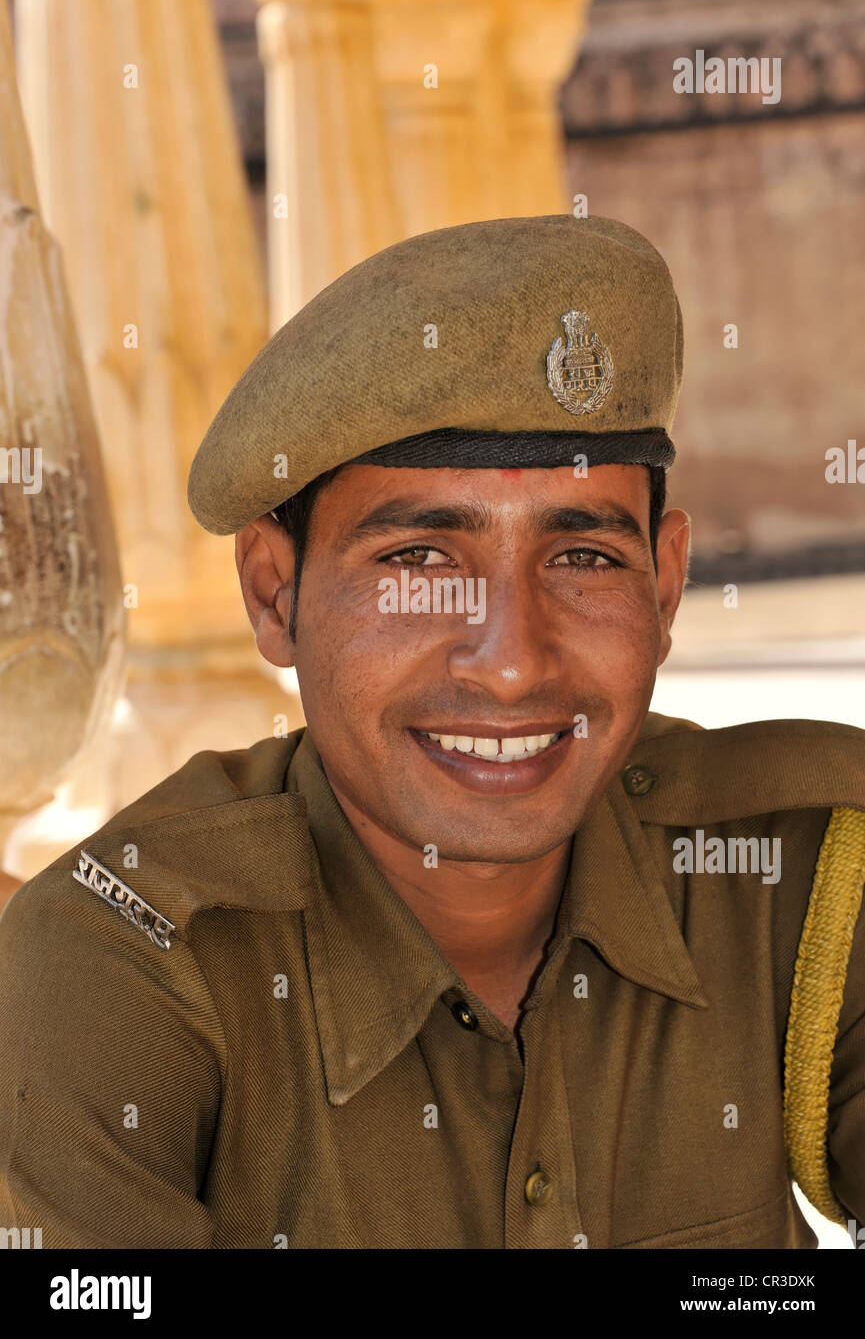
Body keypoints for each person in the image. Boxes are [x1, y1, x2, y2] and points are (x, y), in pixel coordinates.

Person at [1, 215, 863, 1250]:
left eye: (583, 556)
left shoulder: (791, 871)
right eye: (417, 561)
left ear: (666, 585)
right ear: (276, 594)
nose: (510, 659)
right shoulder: (125, 963)